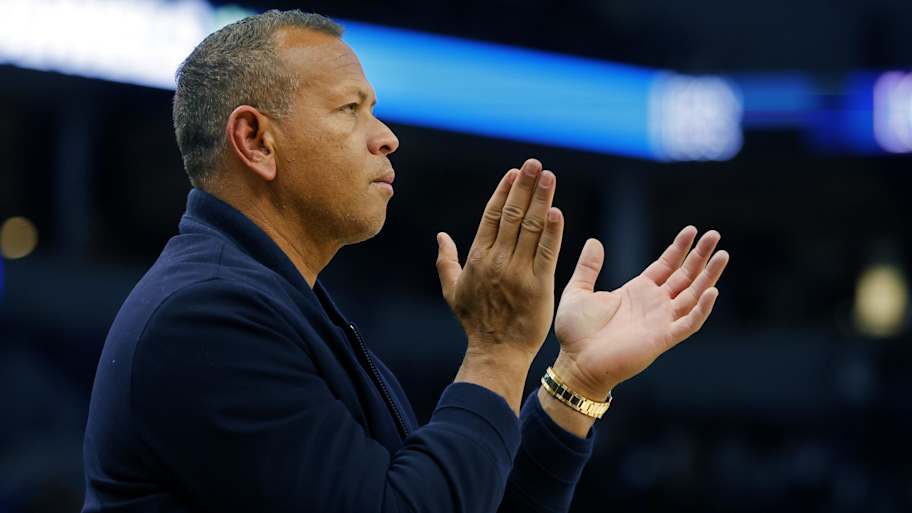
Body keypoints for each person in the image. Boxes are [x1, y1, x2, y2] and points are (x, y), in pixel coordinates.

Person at [81, 10, 729, 513]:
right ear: (256, 140)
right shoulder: (204, 318)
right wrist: (497, 351)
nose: (386, 135)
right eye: (350, 109)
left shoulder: (268, 302)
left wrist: (574, 385)